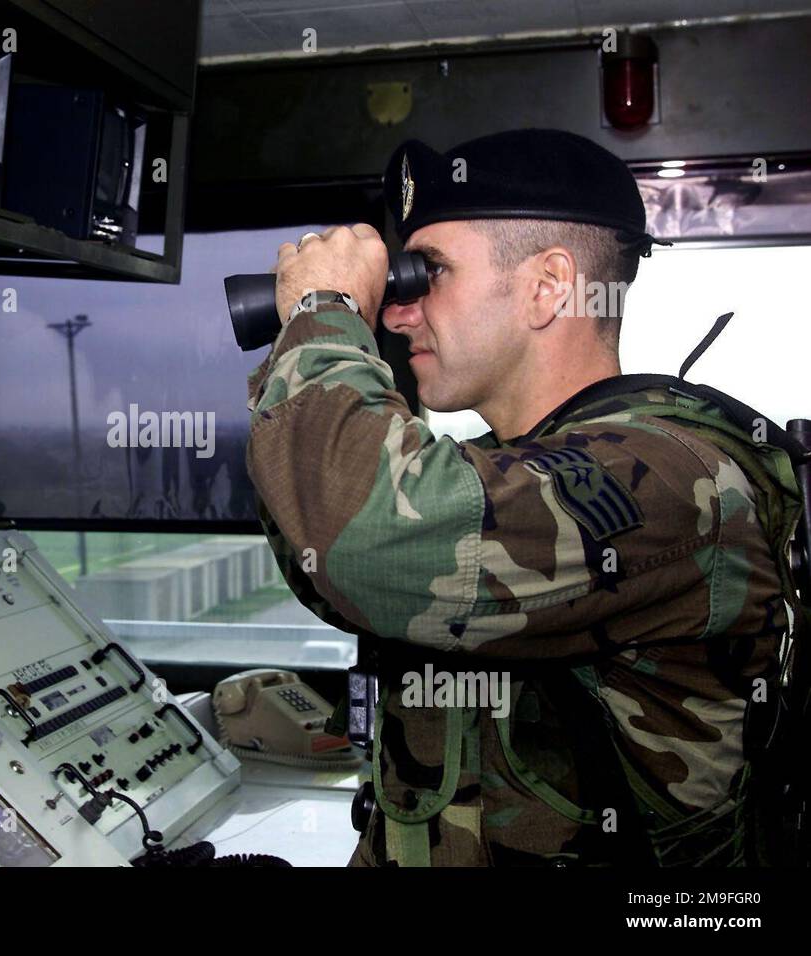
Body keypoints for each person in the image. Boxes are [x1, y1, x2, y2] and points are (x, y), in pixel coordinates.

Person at [245, 128, 801, 866]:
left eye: (427, 274)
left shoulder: (672, 481)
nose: (396, 314)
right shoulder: (502, 474)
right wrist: (307, 350)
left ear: (548, 285)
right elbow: (333, 567)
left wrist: (323, 309)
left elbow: (369, 541)